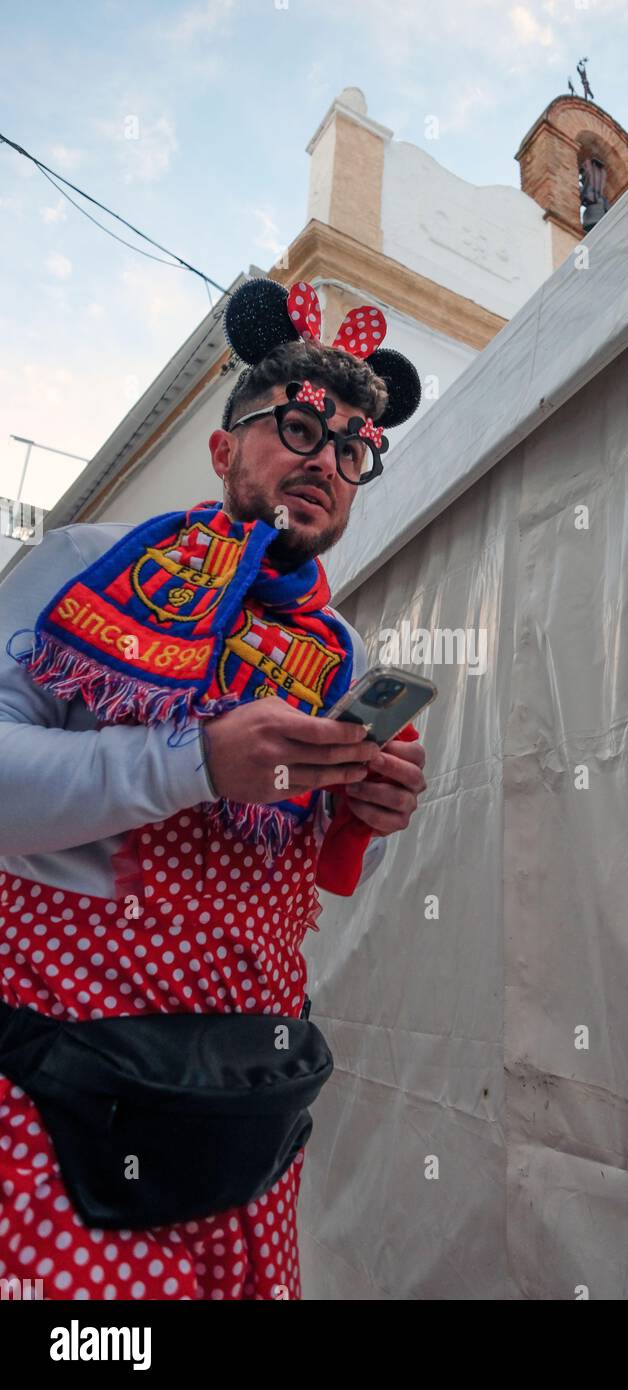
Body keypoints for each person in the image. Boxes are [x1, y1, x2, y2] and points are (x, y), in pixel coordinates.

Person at [0, 278, 427, 1300]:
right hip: (70, 1093)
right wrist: (190, 760)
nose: (324, 458)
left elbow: (293, 872)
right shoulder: (85, 564)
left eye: (352, 449)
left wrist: (364, 806)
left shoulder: (334, 647)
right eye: (296, 427)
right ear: (223, 445)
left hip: (248, 1100)